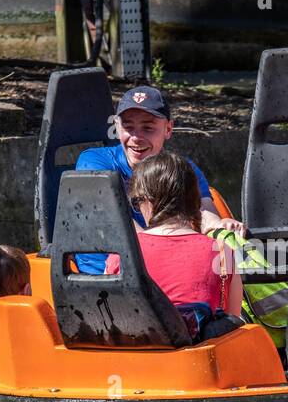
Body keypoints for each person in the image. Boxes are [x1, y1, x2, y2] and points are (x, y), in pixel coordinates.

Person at [74, 84, 245, 273]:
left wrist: (220, 226)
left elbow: (203, 211)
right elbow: (115, 218)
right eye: (128, 127)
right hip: (107, 274)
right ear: (116, 127)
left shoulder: (181, 169)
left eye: (148, 128)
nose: (136, 137)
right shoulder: (94, 162)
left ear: (168, 129)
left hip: (162, 265)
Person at [104, 152, 244, 342]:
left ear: (148, 201)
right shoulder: (222, 251)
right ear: (194, 198)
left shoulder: (121, 253)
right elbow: (232, 324)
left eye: (137, 202)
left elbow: (106, 318)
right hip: (198, 363)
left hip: (135, 363)